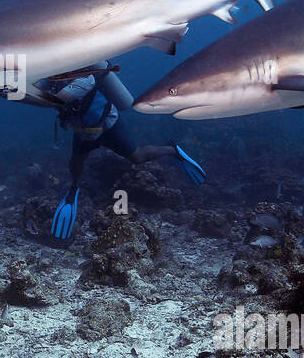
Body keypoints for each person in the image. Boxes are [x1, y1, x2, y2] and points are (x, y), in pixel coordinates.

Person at [43, 62, 207, 240]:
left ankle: (172, 150)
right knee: (76, 162)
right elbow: (37, 90)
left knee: (137, 156)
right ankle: (73, 189)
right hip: (83, 132)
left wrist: (22, 90)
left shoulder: (85, 78)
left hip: (109, 127)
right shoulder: (52, 79)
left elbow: (51, 99)